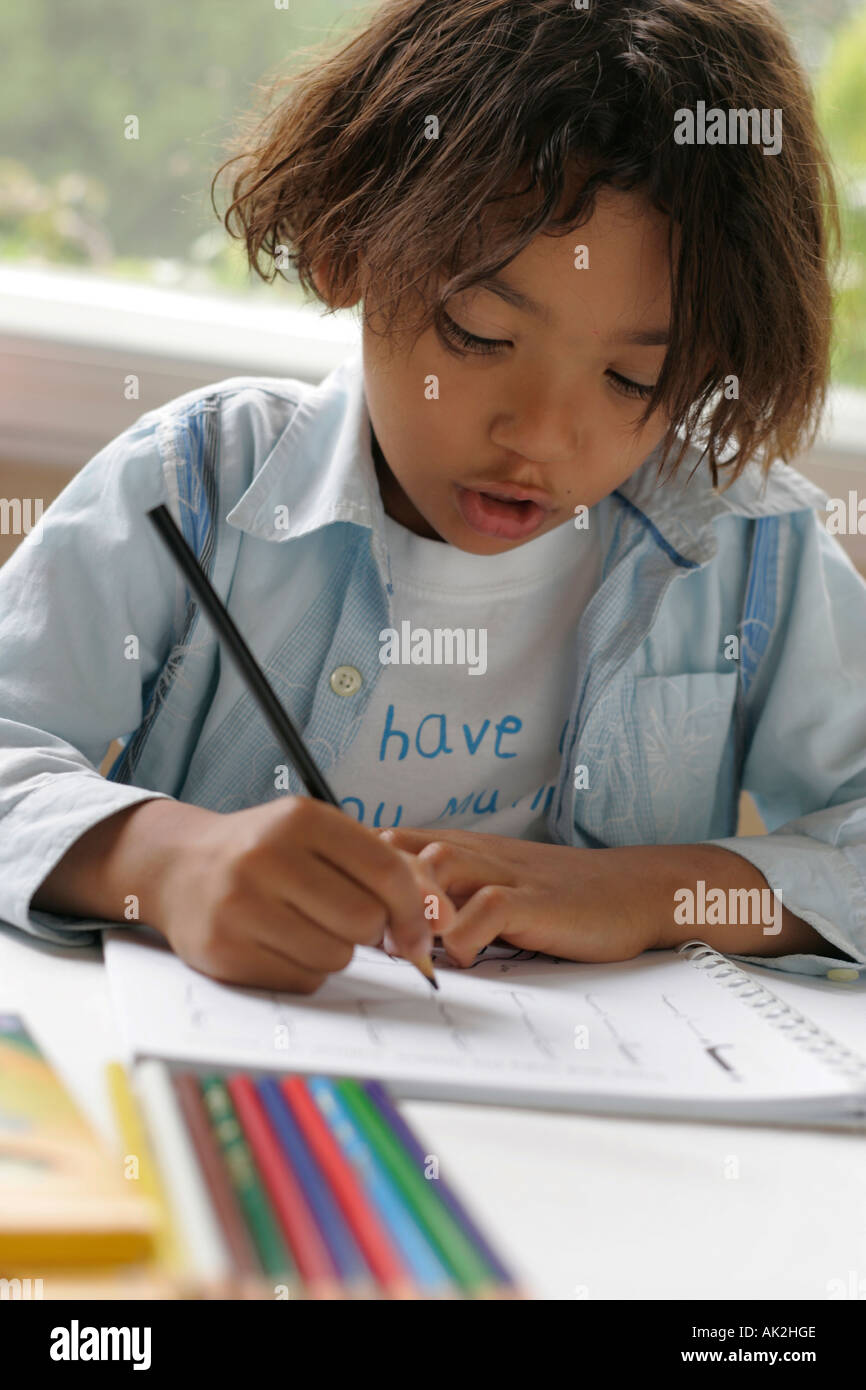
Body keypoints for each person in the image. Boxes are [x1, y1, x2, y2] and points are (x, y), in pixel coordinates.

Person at [1, 0, 863, 992]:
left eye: (634, 381)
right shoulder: (197, 482)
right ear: (347, 247)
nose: (539, 435)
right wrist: (161, 861)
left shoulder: (746, 546)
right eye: (479, 335)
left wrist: (645, 892)